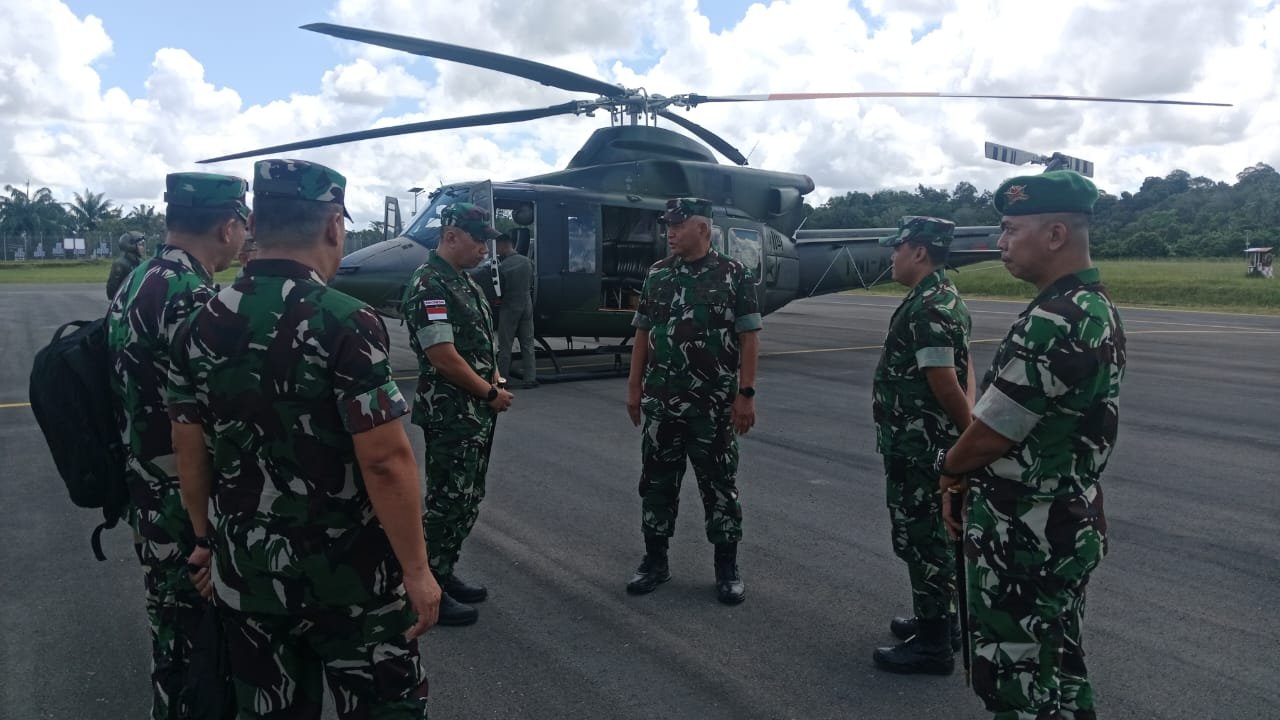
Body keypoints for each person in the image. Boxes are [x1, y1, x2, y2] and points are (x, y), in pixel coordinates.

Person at [167, 158, 441, 719]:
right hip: (350, 579)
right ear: (334, 224)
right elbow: (386, 460)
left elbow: (187, 446)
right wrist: (417, 569)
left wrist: (204, 539)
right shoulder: (347, 321)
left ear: (256, 223)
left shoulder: (198, 322)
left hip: (247, 572)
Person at [937, 170, 1126, 720]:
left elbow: (993, 432)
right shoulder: (1096, 308)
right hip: (1071, 517)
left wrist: (949, 469)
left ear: (1055, 234)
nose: (1000, 243)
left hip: (1023, 535)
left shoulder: (1052, 319)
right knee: (1061, 669)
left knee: (1014, 684)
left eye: (1009, 229)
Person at [105, 172, 249, 719]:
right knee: (198, 642)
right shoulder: (191, 295)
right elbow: (213, 413)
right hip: (182, 499)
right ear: (227, 225)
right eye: (243, 225)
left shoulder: (141, 279)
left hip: (148, 486)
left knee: (171, 630)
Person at [624, 197, 761, 605]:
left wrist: (746, 394)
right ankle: (655, 562)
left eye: (678, 225)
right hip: (662, 402)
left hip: (713, 405)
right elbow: (643, 333)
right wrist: (634, 388)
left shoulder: (734, 274)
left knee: (719, 486)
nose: (670, 232)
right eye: (668, 224)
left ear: (702, 227)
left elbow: (749, 337)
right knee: (656, 484)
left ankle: (726, 568)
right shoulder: (658, 274)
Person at [401, 201, 514, 626]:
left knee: (467, 499)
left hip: (475, 412)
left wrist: (496, 381)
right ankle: (425, 587)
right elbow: (443, 356)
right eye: (478, 240)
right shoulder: (431, 284)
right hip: (453, 413)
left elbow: (480, 344)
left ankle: (442, 574)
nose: (486, 249)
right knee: (448, 501)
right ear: (451, 236)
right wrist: (488, 393)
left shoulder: (464, 283)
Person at [870, 216, 974, 675]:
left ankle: (933, 645)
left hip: (920, 447)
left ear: (918, 252)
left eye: (897, 248)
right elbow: (965, 368)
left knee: (923, 538)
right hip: (926, 443)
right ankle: (941, 621)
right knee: (931, 536)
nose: (891, 256)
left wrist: (970, 438)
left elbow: (944, 381)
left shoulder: (929, 307)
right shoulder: (942, 297)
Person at [494, 232, 538, 388]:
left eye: (497, 246)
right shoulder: (528, 262)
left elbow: (499, 289)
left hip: (510, 305)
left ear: (505, 245)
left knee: (505, 345)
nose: (496, 250)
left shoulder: (503, 266)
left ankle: (503, 380)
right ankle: (530, 378)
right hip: (526, 304)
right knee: (527, 343)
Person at [106, 230, 147, 300]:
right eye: (140, 244)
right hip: (126, 304)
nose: (143, 248)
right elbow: (111, 292)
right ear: (130, 246)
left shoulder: (141, 263)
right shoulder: (120, 264)